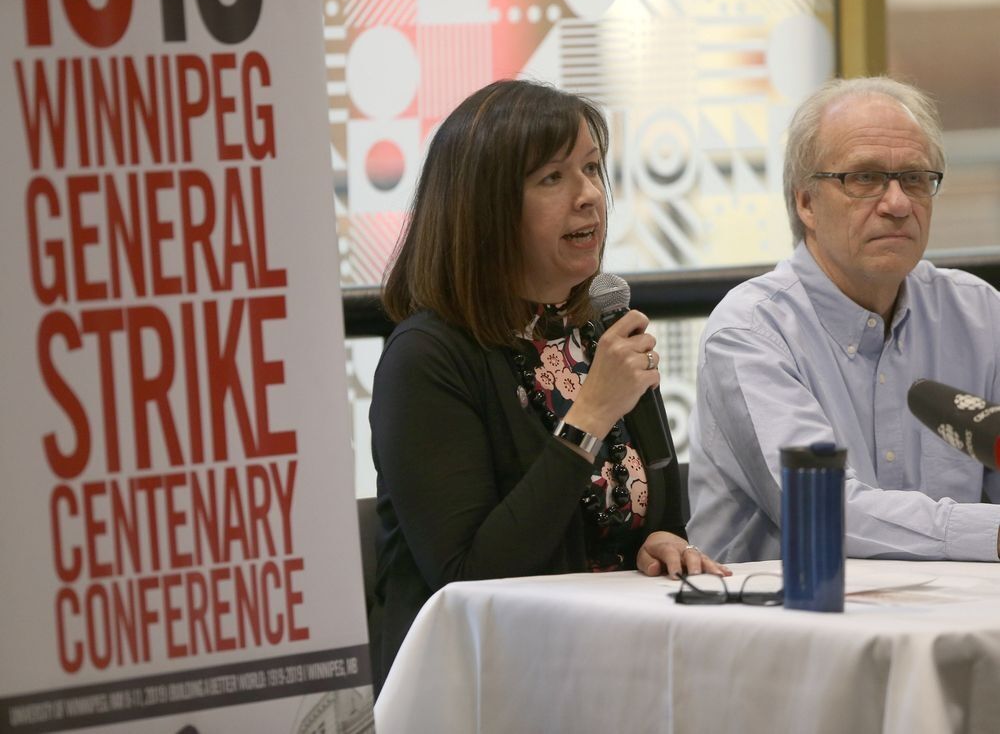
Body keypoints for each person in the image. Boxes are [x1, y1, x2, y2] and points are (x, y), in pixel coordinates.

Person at [368, 80, 728, 691]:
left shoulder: (600, 329)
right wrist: (589, 415)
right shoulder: (427, 359)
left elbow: (656, 510)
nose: (589, 196)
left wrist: (660, 539)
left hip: (615, 660)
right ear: (484, 210)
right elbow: (470, 575)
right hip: (486, 686)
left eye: (591, 168)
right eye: (552, 178)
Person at [687, 76, 1000, 563]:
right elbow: (823, 513)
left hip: (950, 620)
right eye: (865, 178)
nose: (898, 204)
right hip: (787, 624)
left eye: (915, 178)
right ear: (805, 202)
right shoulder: (752, 332)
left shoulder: (980, 314)